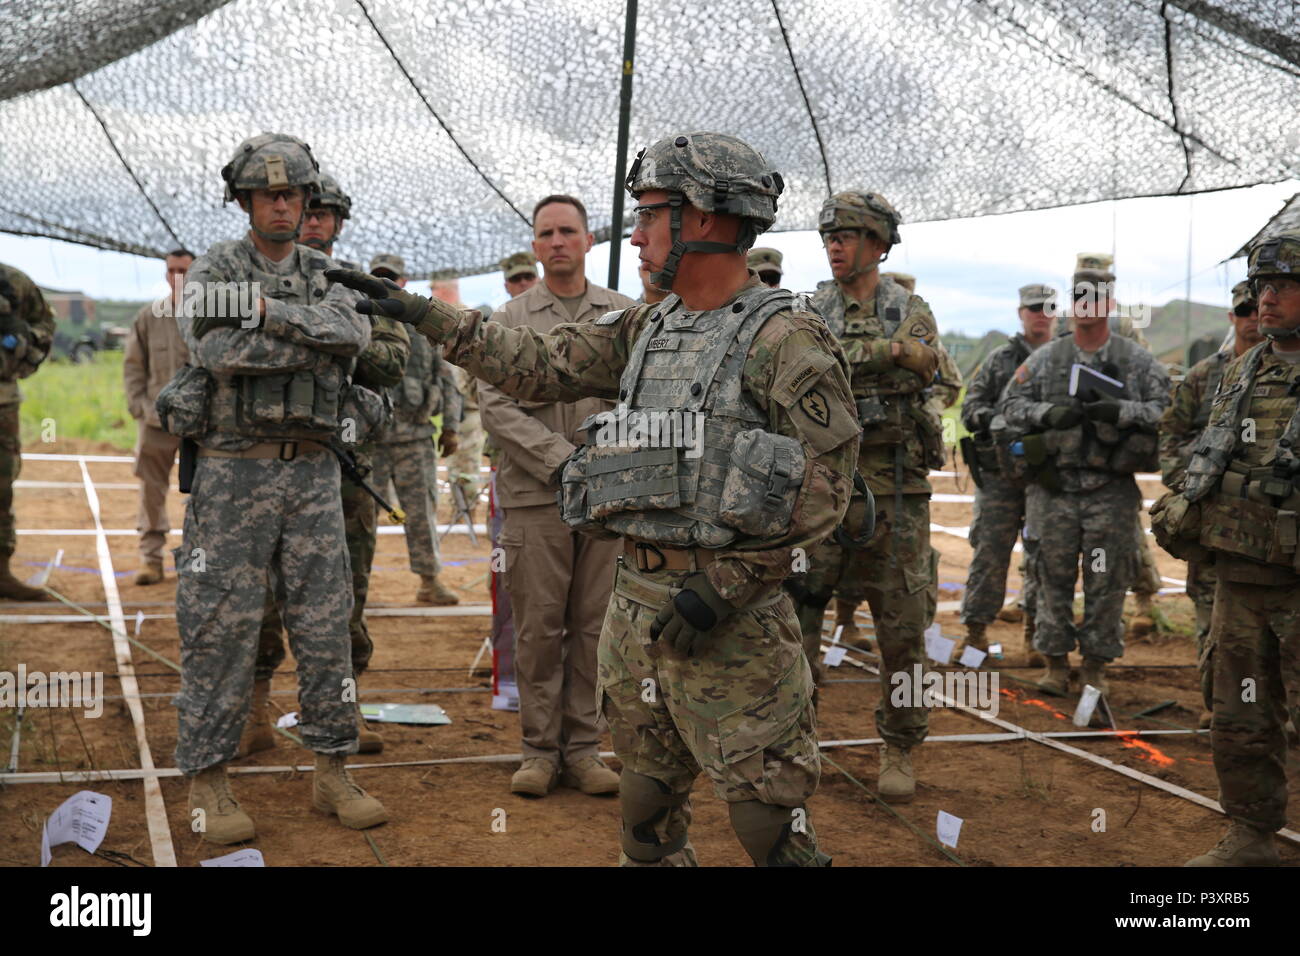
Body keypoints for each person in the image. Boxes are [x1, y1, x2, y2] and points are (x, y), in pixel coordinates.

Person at [329, 131, 858, 866]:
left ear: (703, 218)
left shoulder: (784, 338)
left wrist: (727, 584)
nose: (636, 235)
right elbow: (538, 364)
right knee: (645, 820)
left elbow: (827, 488)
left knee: (769, 827)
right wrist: (422, 315)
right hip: (637, 608)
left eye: (649, 215)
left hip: (731, 630)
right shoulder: (650, 327)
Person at [169, 133, 387, 842]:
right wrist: (311, 336)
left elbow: (354, 336)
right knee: (221, 627)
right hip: (235, 472)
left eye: (294, 193)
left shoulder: (329, 272)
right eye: (269, 194)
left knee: (326, 626)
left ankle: (332, 772)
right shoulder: (218, 268)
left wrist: (269, 314)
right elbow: (218, 352)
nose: (284, 204)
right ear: (244, 201)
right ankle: (209, 782)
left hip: (316, 473)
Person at [241, 172, 411, 758]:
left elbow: (391, 361)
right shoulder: (249, 279)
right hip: (260, 467)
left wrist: (319, 335)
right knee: (257, 596)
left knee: (343, 597)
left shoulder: (360, 287)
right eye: (306, 209)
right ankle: (254, 710)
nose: (312, 219)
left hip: (339, 470)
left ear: (339, 221)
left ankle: (343, 708)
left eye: (324, 211)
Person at [788, 191, 943, 803]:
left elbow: (927, 362)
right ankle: (796, 741)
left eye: (846, 236)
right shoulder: (808, 308)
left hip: (899, 491)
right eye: (828, 236)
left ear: (878, 244)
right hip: (823, 488)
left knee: (903, 629)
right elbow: (803, 368)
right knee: (798, 617)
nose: (834, 246)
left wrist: (854, 359)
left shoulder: (911, 304)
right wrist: (891, 353)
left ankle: (900, 745)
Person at [478, 195, 633, 797]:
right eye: (547, 233)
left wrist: (606, 465)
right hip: (536, 499)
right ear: (536, 246)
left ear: (589, 240)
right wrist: (562, 462)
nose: (558, 241)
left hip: (606, 502)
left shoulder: (623, 316)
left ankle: (585, 750)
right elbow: (496, 406)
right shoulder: (508, 321)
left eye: (569, 231)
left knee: (596, 627)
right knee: (540, 628)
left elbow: (641, 399)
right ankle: (538, 752)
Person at [1156, 231, 1300, 866]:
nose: (1265, 300)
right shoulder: (1242, 370)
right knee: (1240, 712)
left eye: (1282, 288)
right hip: (1241, 575)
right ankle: (1252, 833)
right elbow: (1212, 455)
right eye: (1261, 288)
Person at [1000, 260, 1170, 698]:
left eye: (1095, 298)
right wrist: (1046, 413)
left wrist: (1125, 411)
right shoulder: (1046, 359)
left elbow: (1168, 411)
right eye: (1078, 297)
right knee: (1050, 576)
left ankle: (1095, 667)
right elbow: (1010, 407)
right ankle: (1055, 664)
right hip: (1053, 489)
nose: (1085, 306)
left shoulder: (1134, 360)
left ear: (1110, 304)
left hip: (1108, 491)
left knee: (1106, 579)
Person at [1157, 280, 1261, 729]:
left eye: (1258, 309)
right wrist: (1196, 479)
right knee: (1211, 616)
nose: (1254, 318)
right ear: (1232, 317)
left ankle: (1268, 709)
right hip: (1213, 520)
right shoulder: (1204, 375)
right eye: (1244, 311)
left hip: (1271, 523)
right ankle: (1217, 705)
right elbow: (1170, 436)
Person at [955, 284, 1055, 664]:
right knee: (989, 552)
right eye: (1034, 308)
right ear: (1020, 313)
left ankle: (1035, 637)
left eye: (1047, 308)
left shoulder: (1064, 359)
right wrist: (999, 420)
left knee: (1044, 555)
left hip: (1045, 477)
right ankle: (975, 634)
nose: (1040, 314)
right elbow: (971, 407)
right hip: (999, 476)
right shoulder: (1000, 360)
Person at [369, 254, 462, 607]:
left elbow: (446, 379)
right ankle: (354, 583)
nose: (384, 283)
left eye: (390, 278)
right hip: (371, 440)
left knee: (421, 513)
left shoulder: (424, 326)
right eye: (378, 277)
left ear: (403, 282)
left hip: (416, 437)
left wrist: (450, 427)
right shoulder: (360, 321)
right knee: (362, 517)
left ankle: (429, 581)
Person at [124, 248, 194, 585]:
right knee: (151, 491)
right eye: (172, 270)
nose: (177, 276)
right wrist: (139, 407)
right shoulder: (148, 317)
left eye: (184, 270)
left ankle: (197, 562)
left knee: (206, 494)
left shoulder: (211, 317)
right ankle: (150, 559)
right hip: (155, 423)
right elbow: (133, 368)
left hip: (200, 426)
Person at [0, 262, 55, 601]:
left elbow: (44, 322)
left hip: (1, 404)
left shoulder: (11, 282)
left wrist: (23, 347)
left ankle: (0, 572)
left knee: (1, 488)